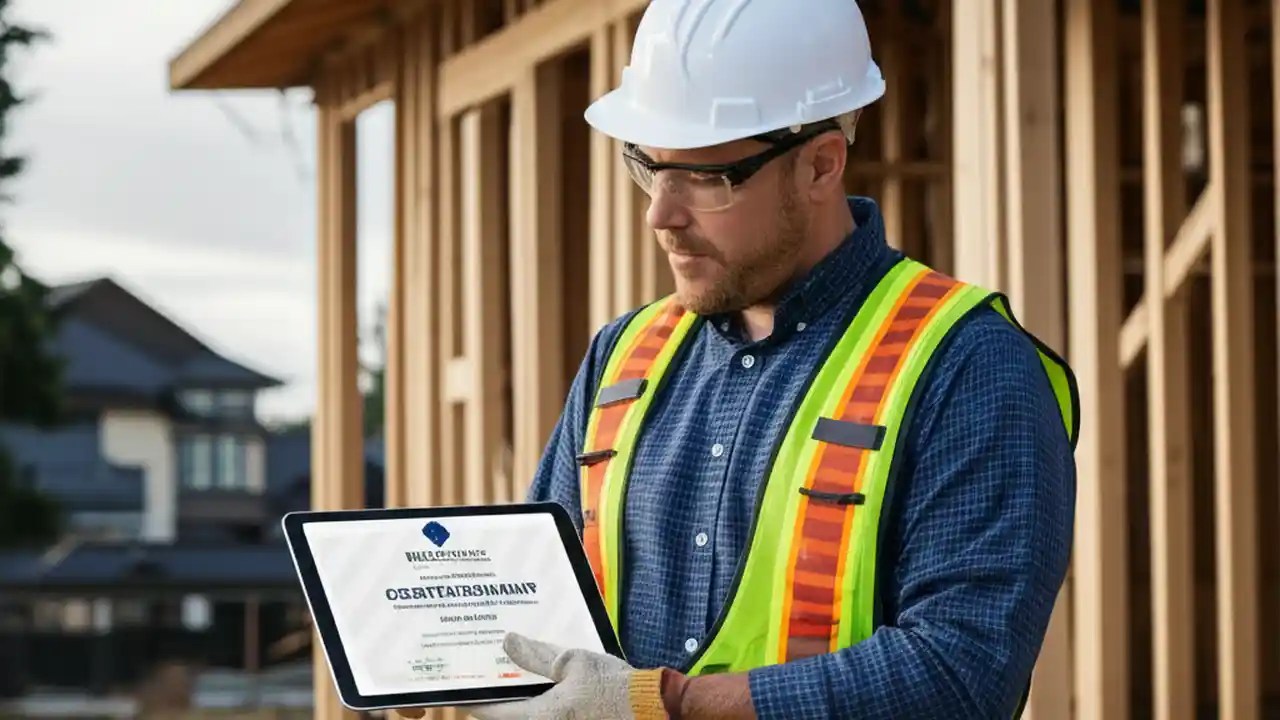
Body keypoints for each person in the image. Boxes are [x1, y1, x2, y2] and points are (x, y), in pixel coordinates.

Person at [399, 0, 1078, 717]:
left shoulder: (966, 364)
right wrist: (434, 655)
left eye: (705, 179)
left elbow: (961, 671)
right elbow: (543, 608)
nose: (661, 214)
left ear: (820, 165)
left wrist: (670, 704)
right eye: (649, 167)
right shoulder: (622, 359)